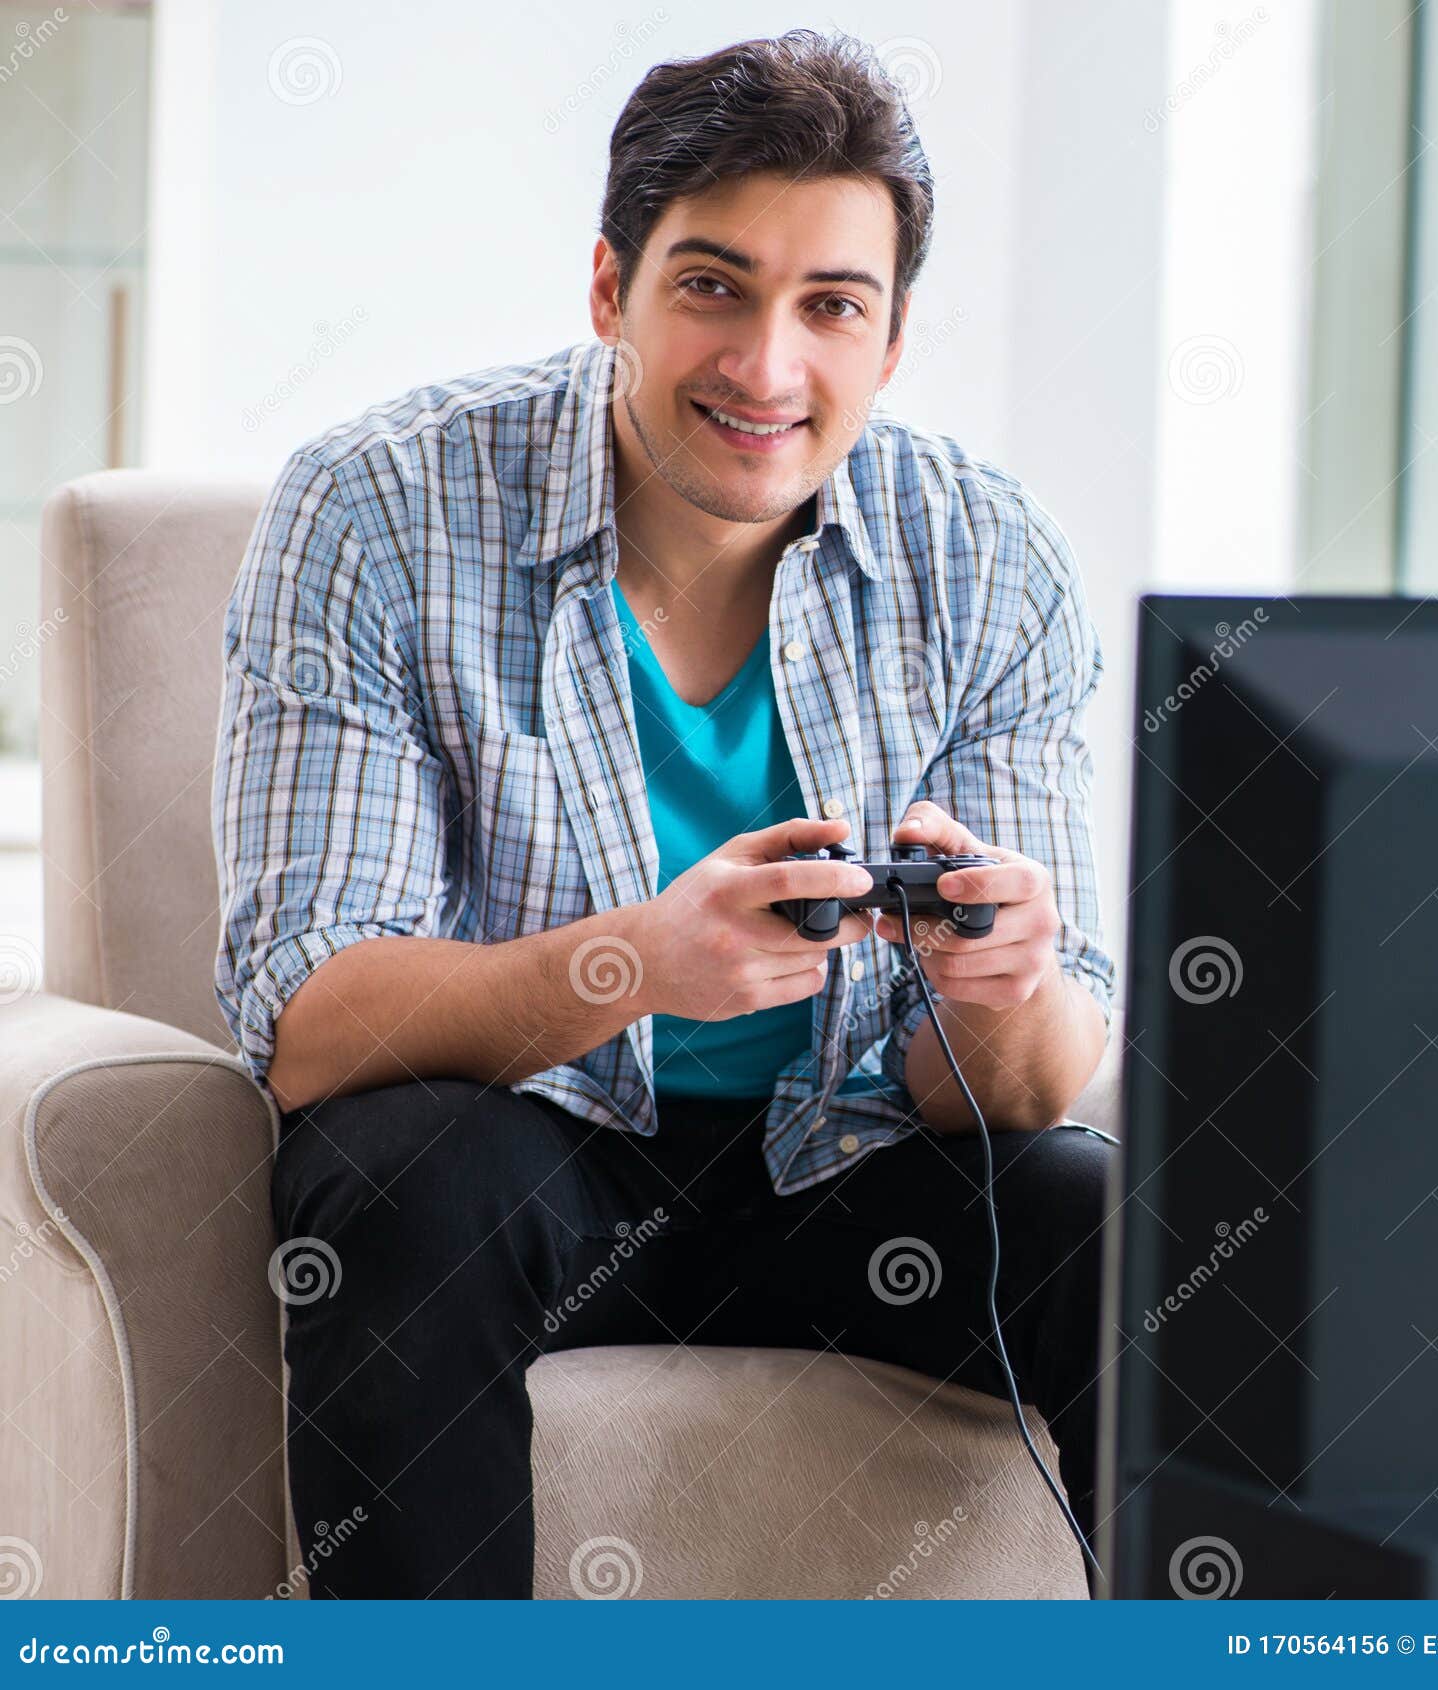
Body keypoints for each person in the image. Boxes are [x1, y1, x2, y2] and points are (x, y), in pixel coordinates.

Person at [211, 27, 1117, 1599]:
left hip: (849, 1168)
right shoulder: (374, 508)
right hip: (528, 1158)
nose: (766, 367)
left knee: (1126, 1223)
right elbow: (311, 1023)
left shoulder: (989, 557)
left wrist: (1000, 986)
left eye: (831, 305)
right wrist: (635, 961)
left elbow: (1024, 1091)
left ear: (891, 339)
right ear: (607, 289)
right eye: (712, 285)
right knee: (404, 1175)